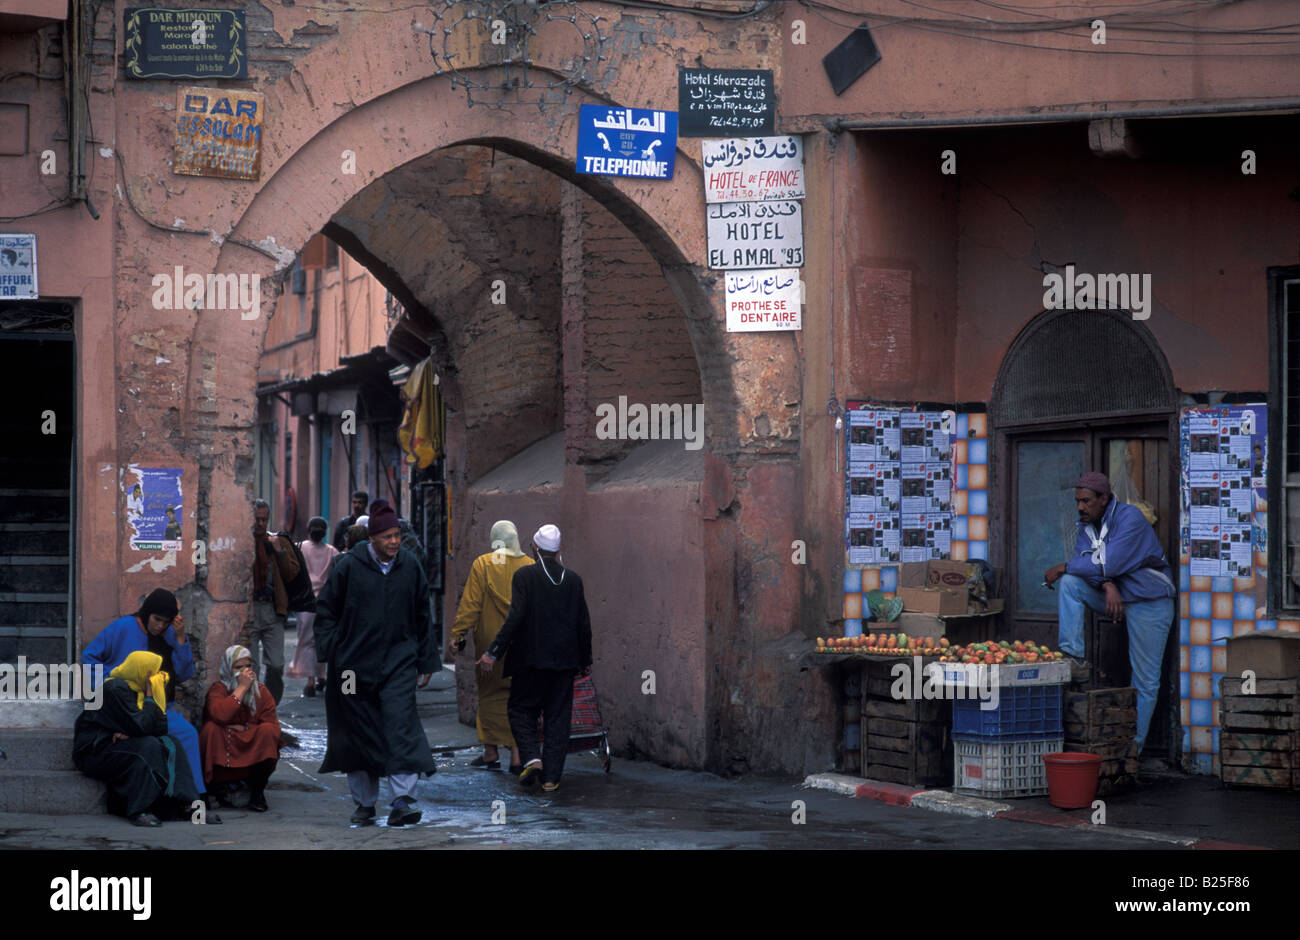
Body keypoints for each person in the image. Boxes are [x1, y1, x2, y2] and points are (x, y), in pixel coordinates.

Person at [314, 499, 437, 826]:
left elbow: (423, 614)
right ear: (372, 539)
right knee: (358, 732)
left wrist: (425, 660)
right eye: (387, 537)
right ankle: (365, 804)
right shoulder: (348, 567)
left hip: (398, 663)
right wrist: (332, 653)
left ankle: (402, 800)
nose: (394, 542)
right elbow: (325, 612)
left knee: (401, 726)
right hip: (352, 669)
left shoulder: (410, 566)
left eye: (397, 535)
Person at [1043, 471, 1176, 754]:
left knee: (1146, 680)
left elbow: (1107, 563)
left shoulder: (1130, 518)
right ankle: (1073, 657)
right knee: (1071, 584)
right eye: (1077, 501)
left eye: (1086, 501)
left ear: (1104, 499)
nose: (1080, 507)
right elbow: (1089, 564)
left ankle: (1132, 751)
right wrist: (1107, 584)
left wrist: (1064, 567)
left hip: (1150, 600)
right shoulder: (1087, 524)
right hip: (1116, 595)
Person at [478, 524, 592, 793]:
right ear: (558, 550)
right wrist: (585, 660)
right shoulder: (573, 580)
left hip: (529, 661)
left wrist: (493, 652)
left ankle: (532, 758)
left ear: (535, 548)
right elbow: (583, 624)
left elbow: (514, 618)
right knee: (557, 719)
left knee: (520, 710)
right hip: (564, 663)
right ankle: (551, 779)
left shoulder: (524, 576)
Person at [82, 588, 208, 801]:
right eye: (156, 619)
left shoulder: (170, 634)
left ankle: (196, 796)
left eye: (165, 622)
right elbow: (89, 658)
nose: (160, 626)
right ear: (147, 613)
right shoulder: (123, 627)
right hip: (126, 708)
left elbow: (184, 673)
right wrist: (109, 682)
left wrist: (179, 639)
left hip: (158, 706)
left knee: (188, 734)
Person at [73, 651, 216, 826]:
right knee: (148, 745)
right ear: (141, 671)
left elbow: (160, 728)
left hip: (120, 743)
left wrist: (154, 699)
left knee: (172, 743)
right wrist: (149, 697)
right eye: (154, 673)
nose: (158, 677)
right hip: (94, 750)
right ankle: (139, 809)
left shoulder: (136, 691)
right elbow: (143, 727)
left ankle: (189, 804)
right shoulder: (115, 688)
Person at [451, 520, 532, 774]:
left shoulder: (483, 564)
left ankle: (491, 752)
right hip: (521, 643)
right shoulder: (529, 565)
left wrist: (458, 632)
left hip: (489, 643)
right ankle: (518, 755)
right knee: (519, 696)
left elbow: (471, 604)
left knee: (489, 694)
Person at [199, 645, 281, 812]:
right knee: (210, 730)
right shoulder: (219, 689)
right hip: (226, 739)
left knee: (268, 731)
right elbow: (219, 715)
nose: (244, 671)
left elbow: (272, 723)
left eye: (248, 666)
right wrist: (241, 688)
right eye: (238, 667)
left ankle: (257, 793)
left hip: (250, 739)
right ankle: (210, 790)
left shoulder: (261, 691)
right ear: (229, 668)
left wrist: (245, 727)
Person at [249, 497, 301, 704]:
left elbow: (292, 573)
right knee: (249, 666)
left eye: (264, 519)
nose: (261, 524)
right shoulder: (242, 542)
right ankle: (251, 708)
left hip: (272, 609)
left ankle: (269, 706)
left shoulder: (278, 541)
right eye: (257, 519)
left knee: (277, 664)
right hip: (250, 610)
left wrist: (279, 551)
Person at [288, 516, 339, 697]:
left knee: (306, 641)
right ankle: (320, 676)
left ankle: (310, 679)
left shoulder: (300, 548)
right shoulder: (332, 552)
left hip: (305, 602)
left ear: (309, 530)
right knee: (322, 641)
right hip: (325, 603)